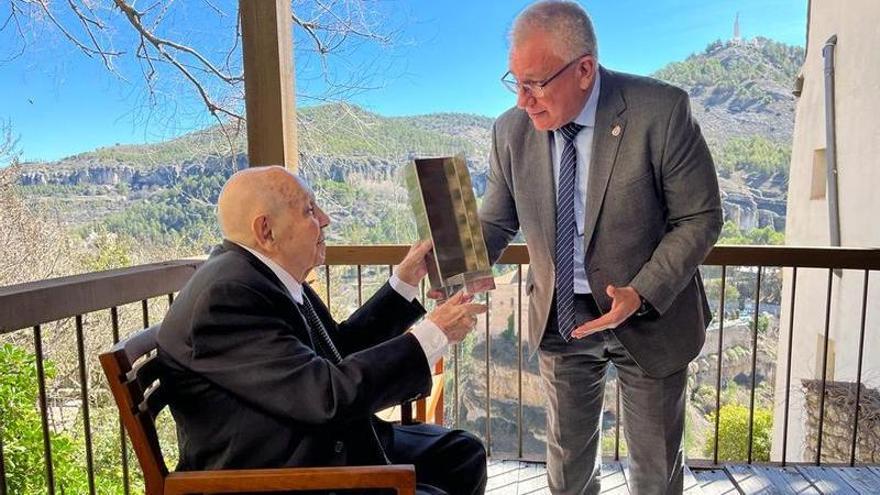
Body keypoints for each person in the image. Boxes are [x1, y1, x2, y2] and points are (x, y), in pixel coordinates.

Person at [479, 1, 723, 493]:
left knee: (655, 472)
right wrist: (454, 261)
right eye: (515, 82)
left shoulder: (661, 111)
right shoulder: (510, 131)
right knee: (567, 472)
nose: (523, 100)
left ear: (585, 70)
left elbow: (700, 217)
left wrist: (642, 290)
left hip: (649, 316)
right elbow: (495, 222)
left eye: (536, 83)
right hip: (561, 319)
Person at [156, 166, 488, 495]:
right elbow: (326, 396)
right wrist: (434, 333)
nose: (325, 219)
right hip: (284, 474)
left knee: (463, 454)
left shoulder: (263, 276)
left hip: (313, 444)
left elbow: (338, 349)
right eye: (309, 210)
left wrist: (404, 281)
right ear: (266, 231)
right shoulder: (227, 298)